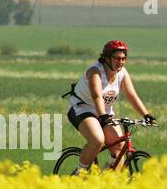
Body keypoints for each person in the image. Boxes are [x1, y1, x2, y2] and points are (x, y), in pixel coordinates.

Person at [67, 40, 156, 173]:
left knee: (120, 147)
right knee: (97, 141)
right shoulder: (95, 72)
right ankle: (79, 172)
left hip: (105, 112)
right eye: (117, 58)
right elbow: (97, 95)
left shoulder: (122, 73)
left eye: (123, 58)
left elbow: (132, 96)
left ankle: (106, 181)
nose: (120, 62)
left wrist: (146, 115)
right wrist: (103, 116)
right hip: (83, 109)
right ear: (106, 58)